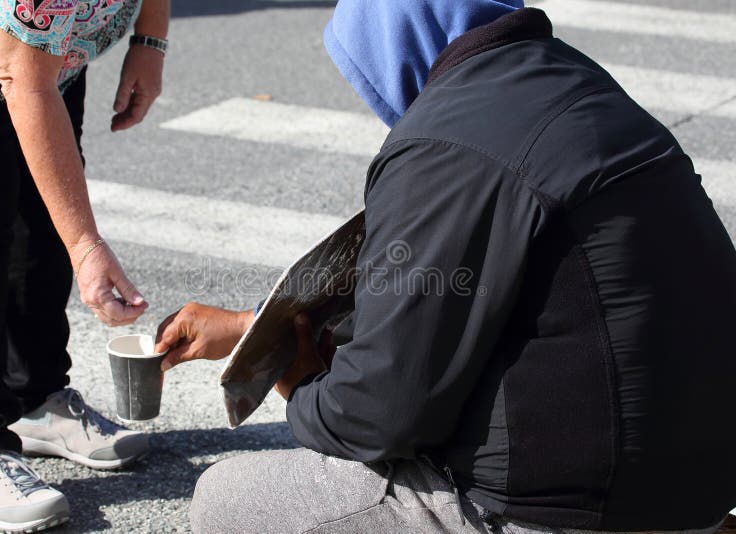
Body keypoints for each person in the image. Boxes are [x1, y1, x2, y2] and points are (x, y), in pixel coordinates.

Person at [156, 0, 736, 532]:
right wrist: (247, 325)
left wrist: (301, 385)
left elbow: (377, 415)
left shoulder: (446, 141)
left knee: (229, 497)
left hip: (573, 512)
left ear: (387, 33)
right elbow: (463, 285)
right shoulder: (575, 83)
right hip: (696, 492)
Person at [0, 1, 168, 531]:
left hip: (50, 52)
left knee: (42, 215)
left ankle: (36, 399)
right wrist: (87, 248)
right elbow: (25, 79)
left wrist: (149, 41)